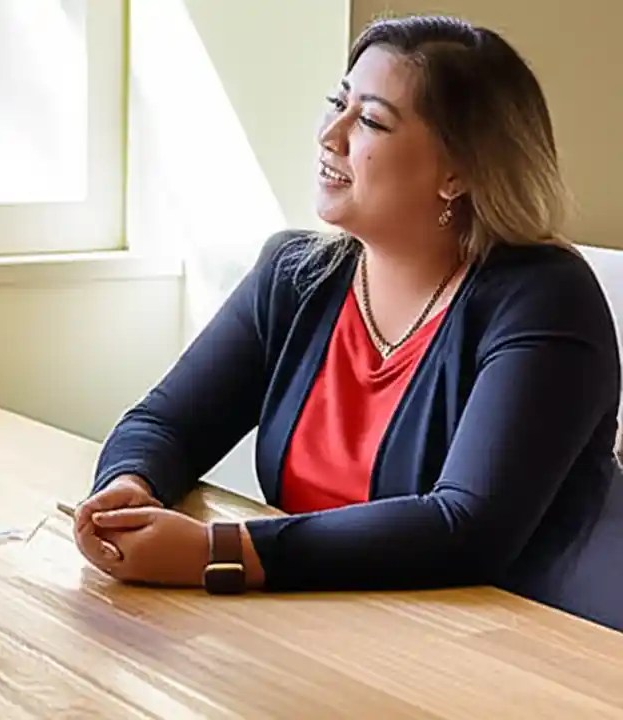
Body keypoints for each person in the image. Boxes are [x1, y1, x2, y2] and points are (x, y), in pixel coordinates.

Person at [74, 14, 623, 628]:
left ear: (457, 174)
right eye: (338, 102)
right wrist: (129, 486)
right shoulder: (294, 275)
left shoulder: (546, 298)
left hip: (530, 650)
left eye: (370, 120)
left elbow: (465, 528)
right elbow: (166, 423)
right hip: (334, 628)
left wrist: (217, 553)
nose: (330, 134)